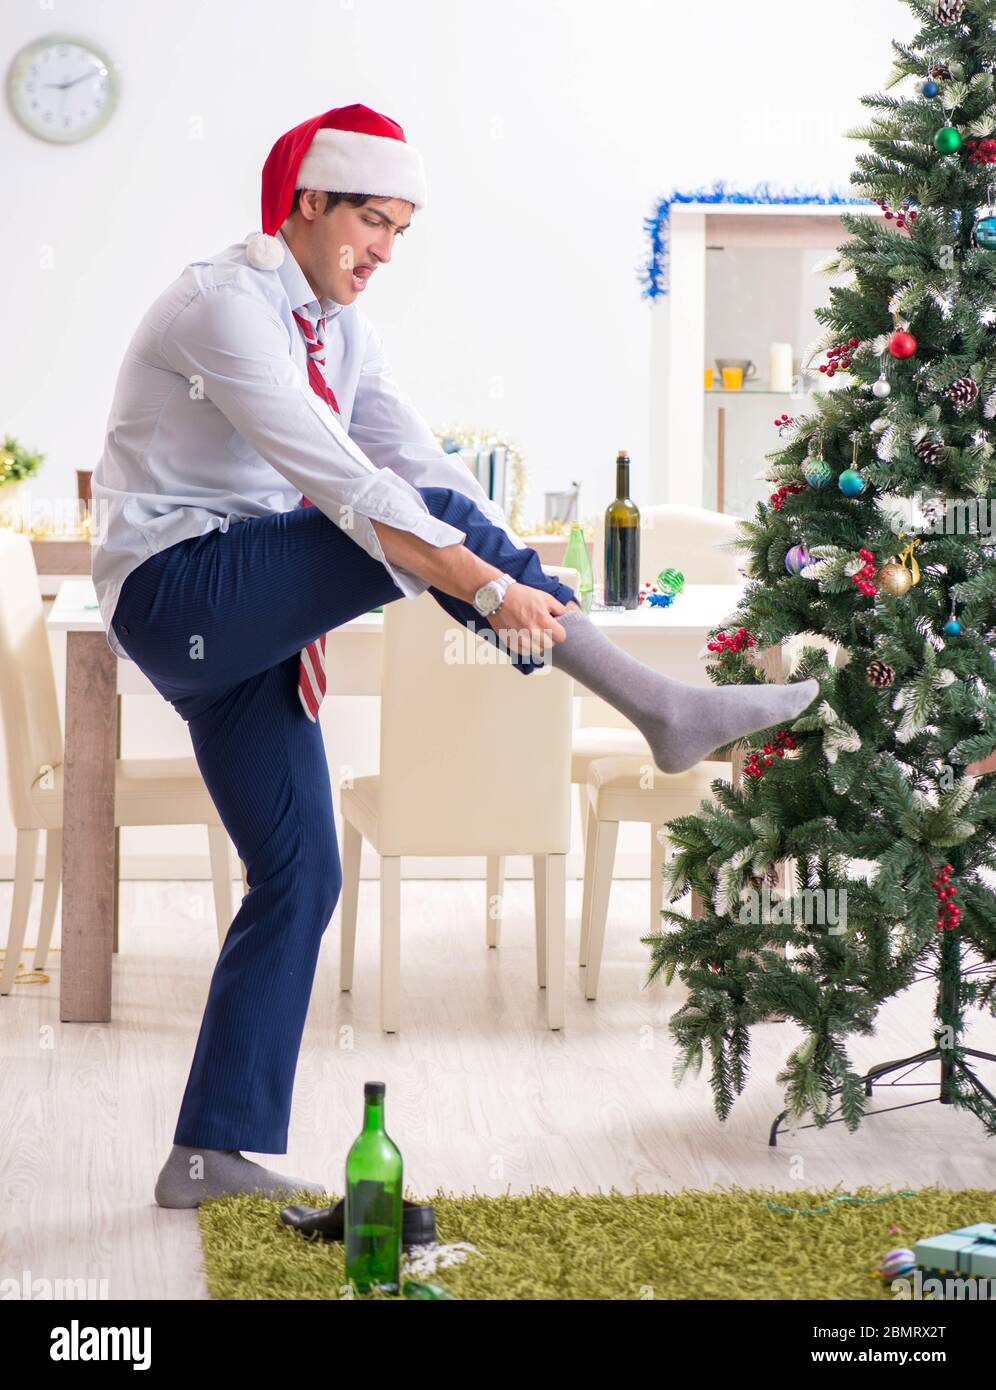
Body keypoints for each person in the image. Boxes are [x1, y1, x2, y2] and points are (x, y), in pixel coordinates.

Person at [89, 103, 819, 1209]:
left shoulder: (342, 333)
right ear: (308, 202)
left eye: (400, 230)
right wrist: (485, 585)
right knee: (414, 521)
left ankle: (208, 1153)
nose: (384, 251)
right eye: (370, 222)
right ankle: (659, 707)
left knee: (302, 873)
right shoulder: (222, 307)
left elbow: (426, 466)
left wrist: (520, 573)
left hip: (243, 634)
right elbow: (347, 486)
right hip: (176, 592)